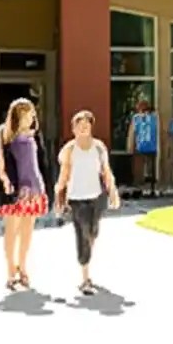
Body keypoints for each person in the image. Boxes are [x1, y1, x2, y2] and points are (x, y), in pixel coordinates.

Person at [56, 109, 121, 295]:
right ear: (74, 129)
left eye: (87, 124)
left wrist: (113, 192)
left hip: (96, 196)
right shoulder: (69, 149)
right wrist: (59, 194)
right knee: (83, 233)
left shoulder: (99, 147)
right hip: (77, 198)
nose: (84, 127)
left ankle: (86, 257)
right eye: (80, 125)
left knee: (93, 232)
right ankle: (85, 277)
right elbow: (64, 174)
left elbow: (106, 171)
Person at [0, 98, 50, 291]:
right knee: (11, 231)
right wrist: (5, 180)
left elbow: (39, 164)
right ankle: (10, 271)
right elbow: (0, 161)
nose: (31, 118)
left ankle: (23, 267)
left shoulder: (35, 135)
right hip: (17, 189)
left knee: (27, 232)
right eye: (26, 115)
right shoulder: (4, 132)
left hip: (35, 188)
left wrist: (46, 188)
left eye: (32, 114)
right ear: (17, 116)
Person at [126, 100, 159, 195]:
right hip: (150, 145)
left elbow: (133, 132)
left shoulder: (137, 118)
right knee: (150, 168)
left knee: (140, 168)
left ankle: (140, 187)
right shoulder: (154, 117)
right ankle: (150, 188)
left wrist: (130, 146)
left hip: (141, 146)